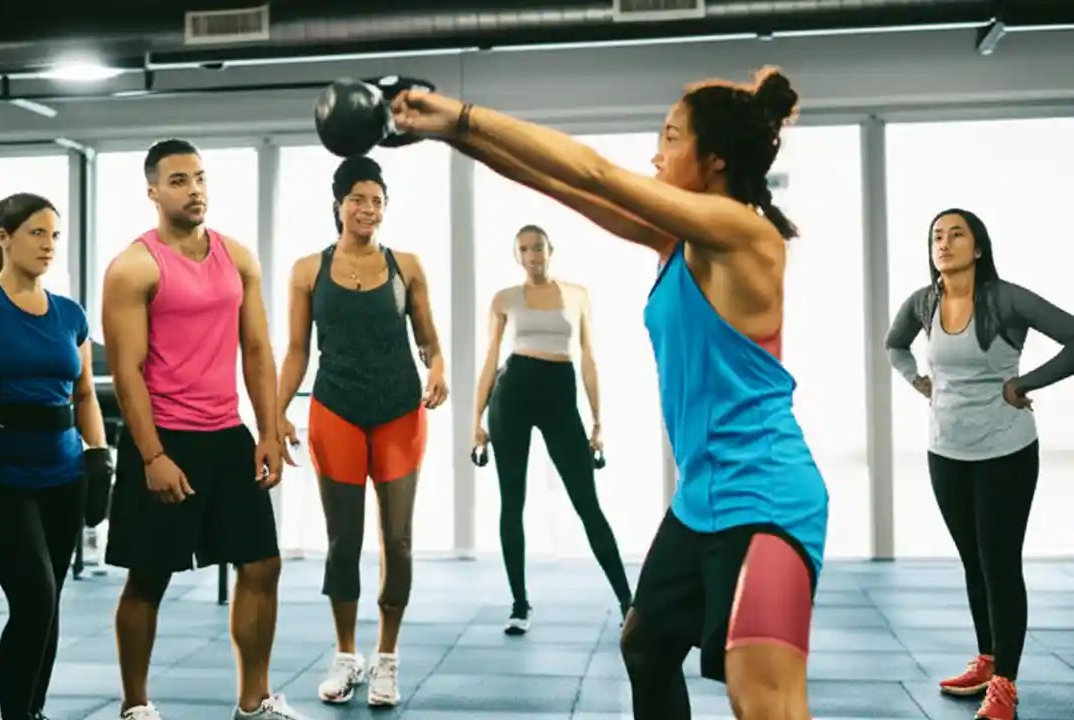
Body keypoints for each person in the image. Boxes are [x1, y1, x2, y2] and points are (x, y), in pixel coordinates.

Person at [390, 66, 828, 720]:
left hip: (767, 503)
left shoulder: (745, 236)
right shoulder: (676, 240)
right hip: (701, 499)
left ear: (713, 162)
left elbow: (594, 171)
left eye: (671, 137)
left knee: (763, 703)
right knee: (647, 646)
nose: (655, 153)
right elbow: (558, 181)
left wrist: (461, 114)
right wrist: (450, 136)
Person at [101, 138, 307, 720]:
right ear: (153, 192)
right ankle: (136, 704)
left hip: (226, 434)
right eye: (179, 180)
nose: (194, 189)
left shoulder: (237, 257)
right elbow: (127, 371)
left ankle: (254, 699)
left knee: (262, 563)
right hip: (166, 436)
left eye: (200, 178)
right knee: (149, 576)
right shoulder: (134, 267)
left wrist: (267, 431)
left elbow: (259, 348)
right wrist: (151, 455)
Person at [885, 208, 1074, 720]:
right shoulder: (925, 302)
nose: (943, 244)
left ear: (979, 247)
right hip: (946, 451)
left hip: (1005, 452)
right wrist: (917, 380)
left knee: (1000, 563)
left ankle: (1005, 686)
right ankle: (989, 660)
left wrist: (1024, 384)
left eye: (956, 234)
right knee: (973, 560)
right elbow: (894, 344)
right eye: (936, 237)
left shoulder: (1006, 298)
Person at [275, 155, 447, 708]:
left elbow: (430, 342)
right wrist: (275, 412)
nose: (367, 209)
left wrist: (439, 368)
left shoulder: (407, 266)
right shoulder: (308, 270)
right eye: (357, 199)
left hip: (399, 408)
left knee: (396, 539)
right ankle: (347, 654)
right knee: (343, 540)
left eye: (376, 200)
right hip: (336, 410)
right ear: (338, 205)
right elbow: (297, 351)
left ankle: (387, 659)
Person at [0, 192, 114, 720]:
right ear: (3, 237)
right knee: (34, 598)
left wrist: (98, 457)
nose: (49, 245)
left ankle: (34, 711)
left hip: (63, 472)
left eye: (54, 235)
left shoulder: (70, 313)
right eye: (36, 233)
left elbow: (85, 394)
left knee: (47, 608)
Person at [472, 223, 632, 634]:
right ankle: (519, 605)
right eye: (524, 249)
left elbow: (589, 357)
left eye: (538, 248)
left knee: (587, 503)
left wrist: (598, 421)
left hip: (560, 392)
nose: (533, 256)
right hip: (514, 392)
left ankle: (629, 603)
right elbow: (491, 357)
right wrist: (475, 420)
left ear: (550, 249)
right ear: (517, 255)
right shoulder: (504, 299)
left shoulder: (577, 294)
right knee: (513, 500)